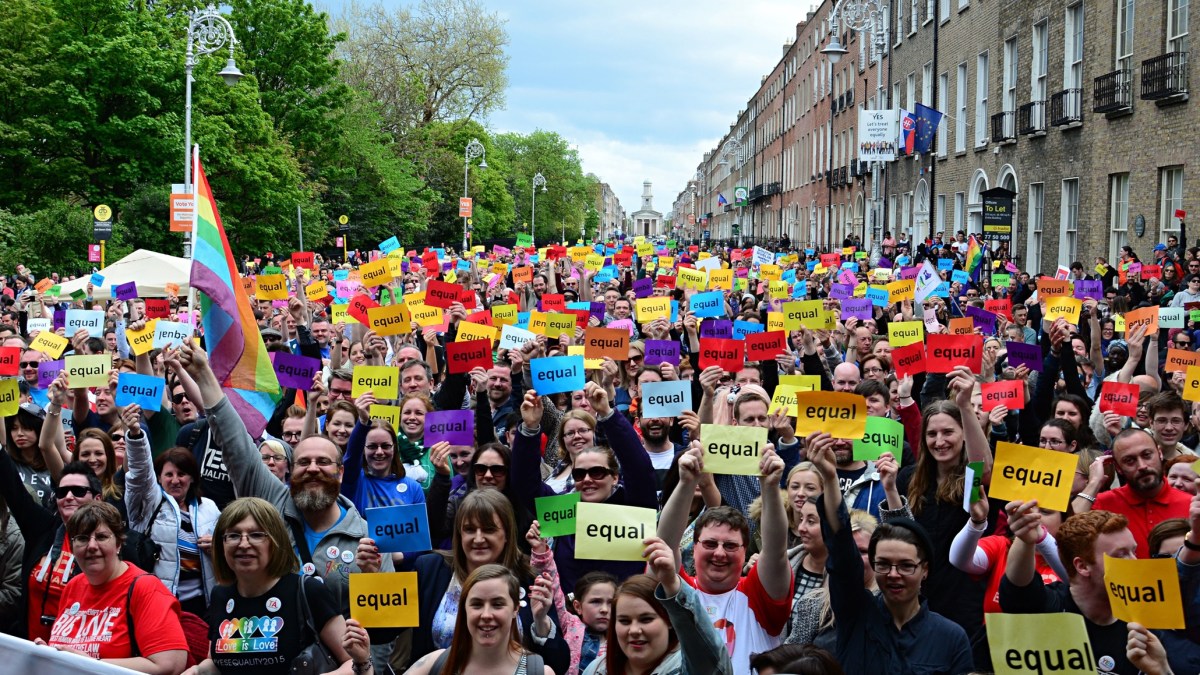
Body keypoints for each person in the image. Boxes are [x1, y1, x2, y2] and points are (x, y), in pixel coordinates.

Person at [808, 430, 972, 674]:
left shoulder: (951, 638)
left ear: (924, 569)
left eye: (906, 566)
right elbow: (840, 545)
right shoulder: (855, 615)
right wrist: (830, 477)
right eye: (883, 564)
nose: (894, 574)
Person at [186, 497, 372, 675]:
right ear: (222, 544)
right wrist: (197, 671)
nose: (243, 544)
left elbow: (355, 663)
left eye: (256, 535)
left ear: (275, 542)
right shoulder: (220, 595)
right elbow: (216, 662)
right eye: (233, 535)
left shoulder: (307, 591)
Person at [657, 441, 793, 667]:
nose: (719, 553)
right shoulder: (677, 591)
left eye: (730, 546)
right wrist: (686, 483)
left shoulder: (757, 595)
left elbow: (776, 551)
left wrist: (769, 487)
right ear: (695, 546)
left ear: (745, 550)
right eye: (710, 544)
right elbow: (665, 545)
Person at [401, 490, 568, 672]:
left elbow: (558, 664)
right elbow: (384, 631)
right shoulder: (429, 569)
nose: (478, 539)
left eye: (489, 529)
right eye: (470, 530)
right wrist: (375, 571)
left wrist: (541, 622)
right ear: (459, 534)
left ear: (507, 534)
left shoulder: (530, 577)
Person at [38, 501, 189, 674]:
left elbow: (170, 664)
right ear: (72, 547)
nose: (92, 546)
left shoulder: (145, 588)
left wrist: (92, 664)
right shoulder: (73, 585)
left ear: (118, 544)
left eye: (101, 537)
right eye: (82, 538)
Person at [999, 503, 1139, 674]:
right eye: (1121, 555)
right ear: (1082, 566)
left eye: (1134, 552)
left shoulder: (1139, 628)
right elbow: (1018, 590)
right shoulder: (1049, 607)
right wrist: (1025, 540)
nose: (1134, 562)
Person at [581, 538, 734, 675]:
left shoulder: (689, 669)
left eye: (646, 619)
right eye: (624, 621)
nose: (634, 630)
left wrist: (671, 582)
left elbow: (712, 662)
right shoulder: (596, 670)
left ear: (669, 620)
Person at [124, 402, 220, 616]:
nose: (175, 480)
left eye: (182, 474)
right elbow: (139, 472)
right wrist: (135, 434)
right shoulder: (149, 502)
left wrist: (218, 548)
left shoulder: (210, 509)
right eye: (169, 474)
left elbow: (228, 553)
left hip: (203, 608)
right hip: (158, 606)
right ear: (159, 477)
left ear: (193, 477)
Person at [404, 564, 554, 675]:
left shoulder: (539, 672)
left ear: (515, 608)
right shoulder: (435, 665)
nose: (486, 615)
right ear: (464, 609)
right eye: (477, 604)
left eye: (497, 604)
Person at [1072, 429, 1192, 557]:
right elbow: (1070, 532)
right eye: (1130, 460)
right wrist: (1094, 482)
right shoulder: (1104, 503)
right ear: (1118, 468)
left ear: (1160, 453)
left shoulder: (1191, 505)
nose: (1142, 466)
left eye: (1147, 455)